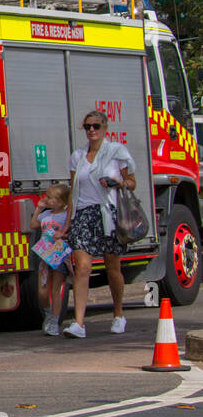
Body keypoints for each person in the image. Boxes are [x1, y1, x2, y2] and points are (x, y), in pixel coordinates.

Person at [63, 109, 136, 338]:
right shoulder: (77, 156)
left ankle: (118, 313)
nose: (91, 130)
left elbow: (132, 182)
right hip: (84, 214)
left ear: (105, 129)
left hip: (108, 213)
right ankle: (79, 323)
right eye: (87, 127)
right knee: (82, 267)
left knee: (112, 267)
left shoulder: (117, 152)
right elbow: (73, 190)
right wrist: (67, 223)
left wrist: (117, 182)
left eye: (96, 126)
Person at [30, 183, 72, 336]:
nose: (46, 199)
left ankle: (54, 321)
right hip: (45, 253)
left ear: (61, 202)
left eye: (50, 197)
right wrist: (38, 208)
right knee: (42, 291)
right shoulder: (45, 215)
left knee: (56, 290)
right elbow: (33, 224)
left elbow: (70, 233)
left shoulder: (66, 216)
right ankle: (48, 313)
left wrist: (63, 235)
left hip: (59, 253)